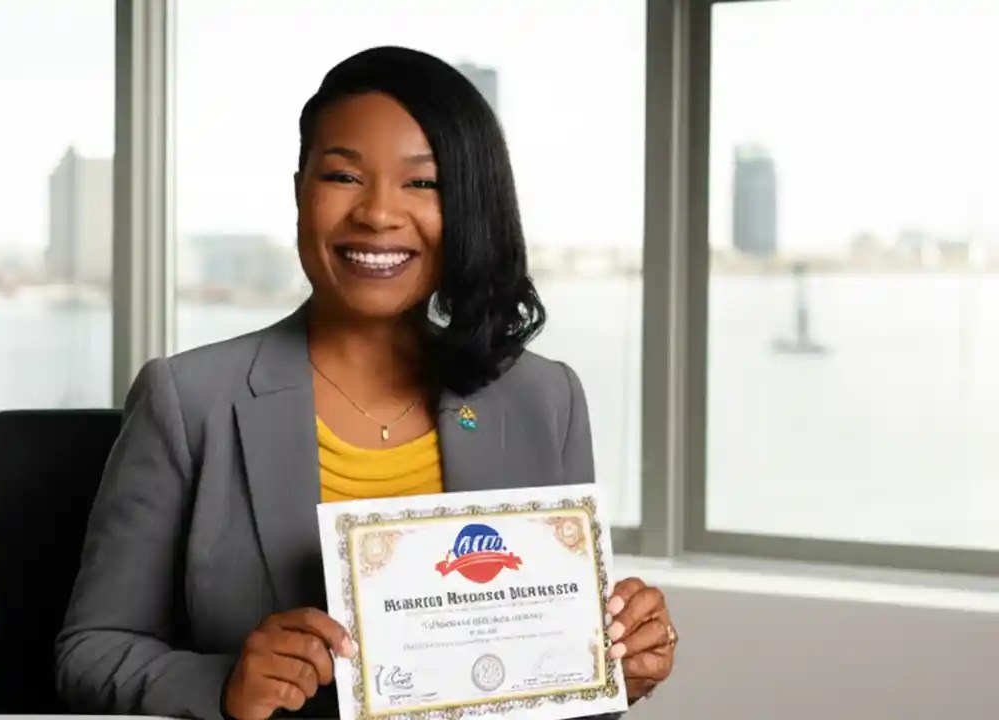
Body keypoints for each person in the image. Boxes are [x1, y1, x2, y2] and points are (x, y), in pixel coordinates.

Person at [56, 46, 677, 720]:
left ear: (469, 206)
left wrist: (617, 668)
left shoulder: (544, 400)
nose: (378, 214)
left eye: (422, 183)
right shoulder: (189, 400)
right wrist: (226, 684)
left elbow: (550, 682)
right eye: (344, 176)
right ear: (300, 192)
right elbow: (91, 650)